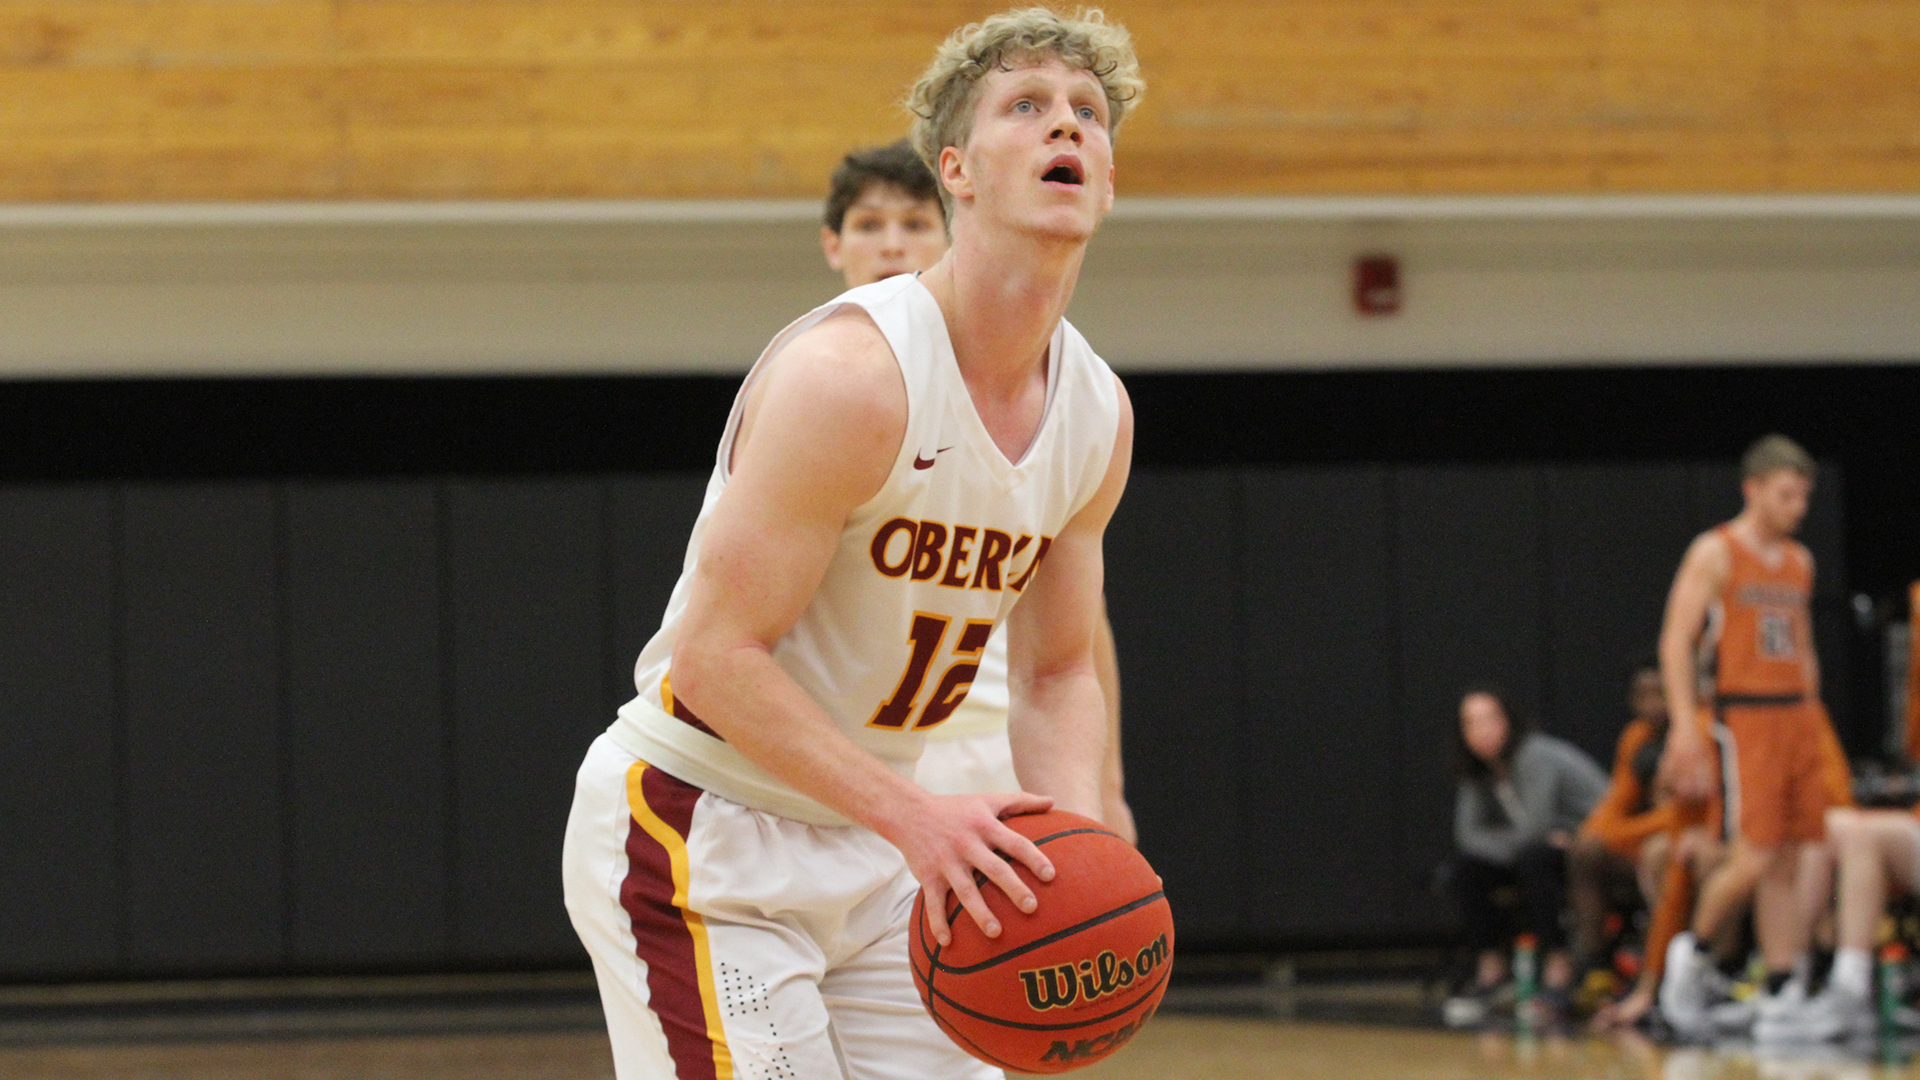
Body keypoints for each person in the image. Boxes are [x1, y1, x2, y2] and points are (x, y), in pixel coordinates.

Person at [561, 10, 1144, 1079]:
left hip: (880, 847)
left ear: (1107, 181)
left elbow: (1059, 672)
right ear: (956, 172)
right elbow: (714, 657)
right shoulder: (855, 378)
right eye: (1028, 106)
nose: (1067, 125)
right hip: (706, 829)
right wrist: (919, 820)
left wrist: (1070, 858)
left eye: (1089, 115)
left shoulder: (1097, 414)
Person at [818, 139, 1133, 838]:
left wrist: (1105, 787)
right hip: (866, 748)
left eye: (915, 224)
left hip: (1003, 739)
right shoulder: (825, 383)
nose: (893, 245)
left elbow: (1076, 638)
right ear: (833, 245)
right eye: (871, 225)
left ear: (951, 228)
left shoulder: (1044, 390)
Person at [1657, 434, 1847, 1041]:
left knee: (1791, 858)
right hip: (1746, 717)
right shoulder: (1716, 551)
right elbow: (1674, 641)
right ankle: (1692, 958)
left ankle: (1781, 988)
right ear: (1754, 488)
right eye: (1787, 494)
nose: (1798, 507)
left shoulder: (1800, 562)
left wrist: (1815, 718)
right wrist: (1686, 723)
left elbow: (1805, 648)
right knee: (1757, 852)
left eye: (1804, 496)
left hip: (1797, 716)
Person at [1444, 688, 1609, 1027]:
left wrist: (1517, 840)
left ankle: (1558, 966)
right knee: (1466, 869)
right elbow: (1468, 835)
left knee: (1534, 860)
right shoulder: (1480, 770)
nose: (1482, 731)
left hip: (1592, 844)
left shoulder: (1535, 756)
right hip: (1534, 850)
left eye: (1490, 719)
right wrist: (1513, 843)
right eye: (1471, 723)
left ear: (1509, 722)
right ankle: (1491, 971)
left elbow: (1536, 828)